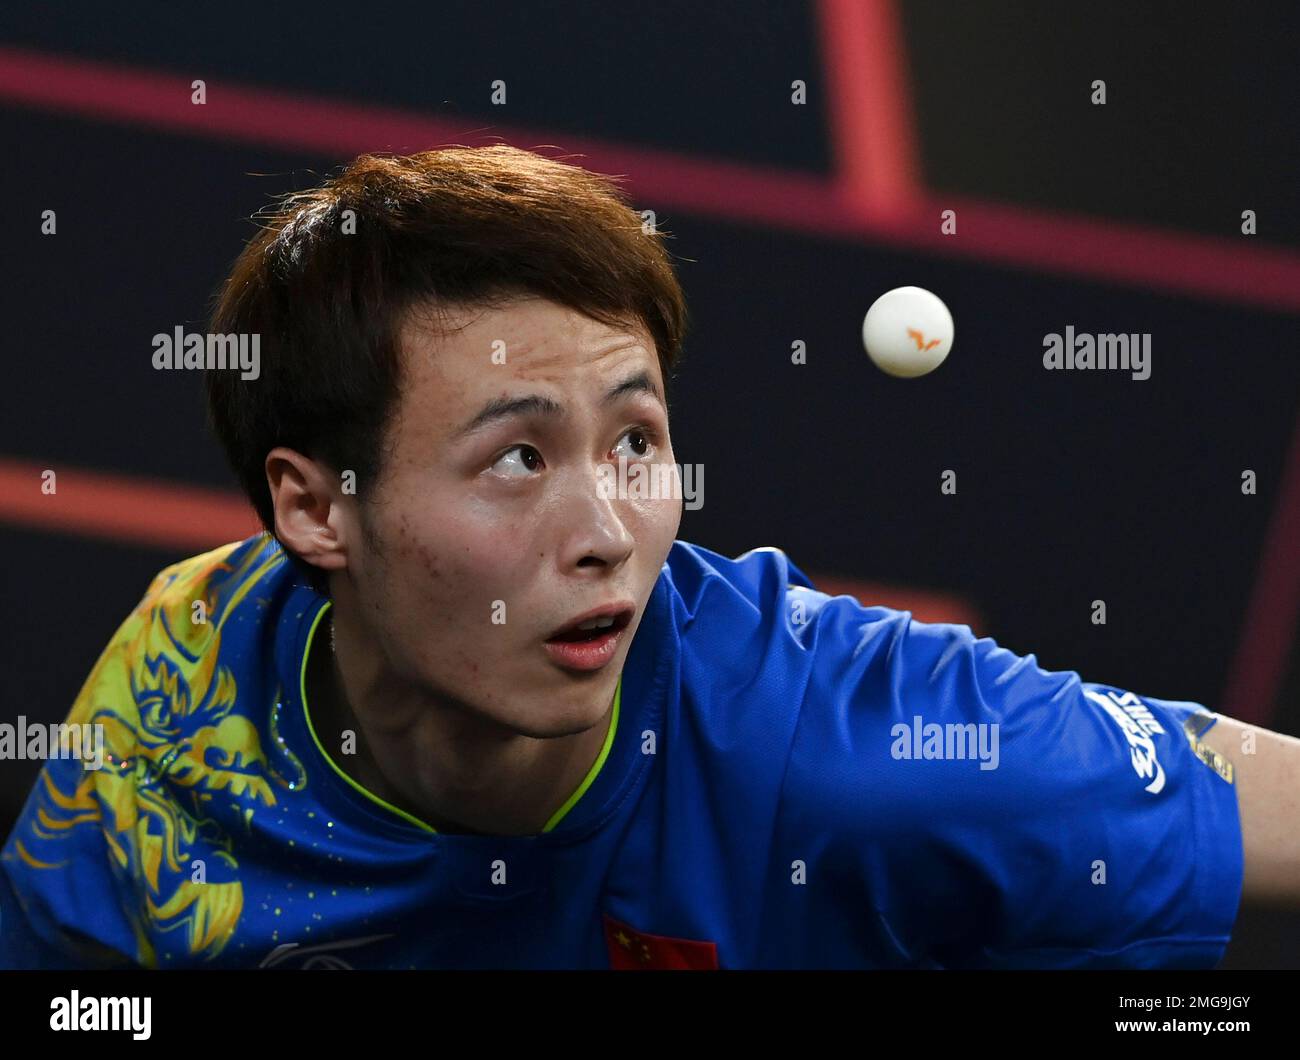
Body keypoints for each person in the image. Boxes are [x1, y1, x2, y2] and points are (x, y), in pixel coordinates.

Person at [1, 146, 1295, 969]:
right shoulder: (186, 687)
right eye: (518, 459)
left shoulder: (848, 749)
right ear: (314, 510)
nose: (611, 534)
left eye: (636, 441)